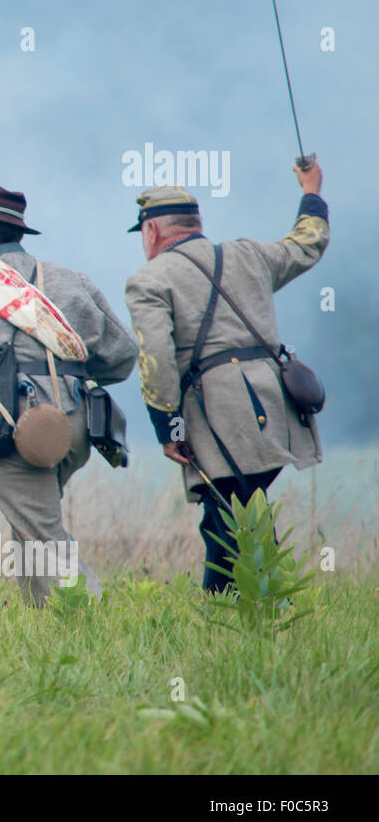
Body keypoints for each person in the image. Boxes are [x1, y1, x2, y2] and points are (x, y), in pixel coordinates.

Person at [0, 186, 137, 607]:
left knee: (41, 532)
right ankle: (43, 623)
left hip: (23, 429)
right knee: (31, 526)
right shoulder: (74, 282)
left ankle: (95, 617)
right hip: (78, 425)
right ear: (20, 234)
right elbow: (123, 356)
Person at [123, 160, 328, 593]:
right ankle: (235, 612)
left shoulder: (149, 279)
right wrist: (311, 190)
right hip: (276, 407)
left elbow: (155, 360)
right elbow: (308, 242)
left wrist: (170, 429)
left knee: (233, 516)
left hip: (221, 415)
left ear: (152, 231)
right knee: (234, 514)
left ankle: (258, 610)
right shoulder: (249, 255)